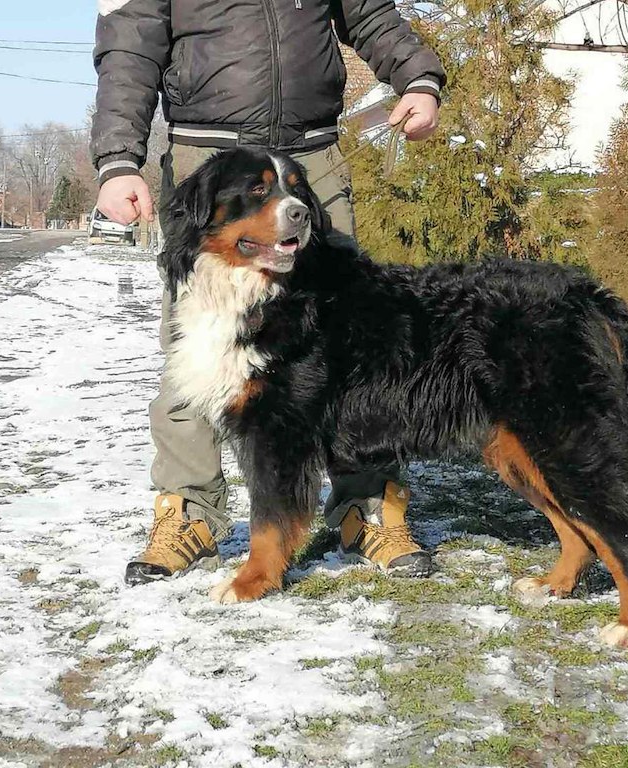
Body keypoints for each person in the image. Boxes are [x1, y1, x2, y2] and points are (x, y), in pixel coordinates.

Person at [90, 0, 446, 585]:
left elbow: (371, 12)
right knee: (199, 356)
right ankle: (189, 511)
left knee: (356, 353)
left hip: (313, 159)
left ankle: (367, 506)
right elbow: (130, 42)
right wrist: (117, 161)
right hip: (211, 162)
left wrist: (417, 76)